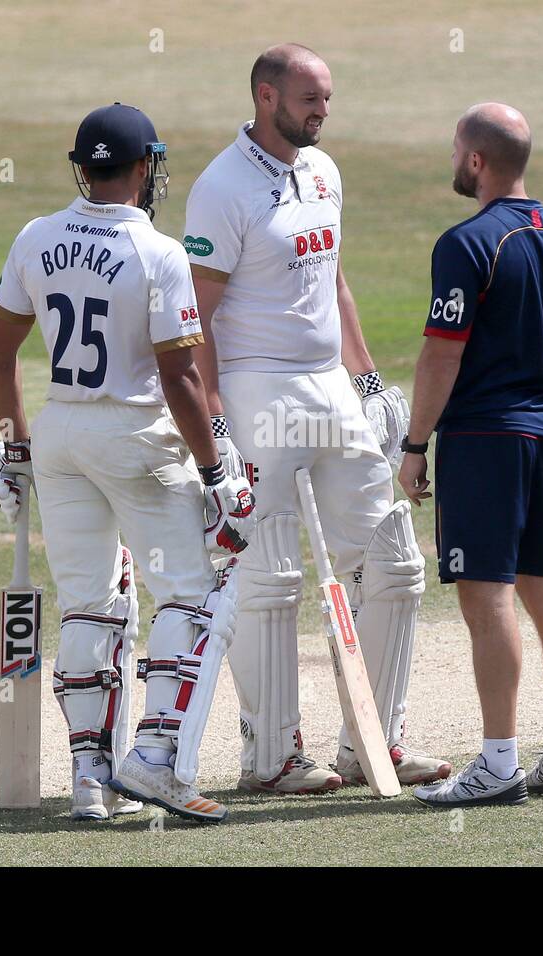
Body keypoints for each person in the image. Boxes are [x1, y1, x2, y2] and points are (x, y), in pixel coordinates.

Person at [184, 44, 451, 793]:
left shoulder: (324, 173)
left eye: (328, 98)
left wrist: (368, 382)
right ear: (266, 97)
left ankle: (374, 744)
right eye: (309, 98)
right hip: (255, 389)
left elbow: (335, 283)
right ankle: (270, 757)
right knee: (267, 577)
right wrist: (215, 424)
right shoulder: (221, 187)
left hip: (329, 386)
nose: (323, 110)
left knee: (393, 562)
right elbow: (195, 317)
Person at [0, 103, 255, 823]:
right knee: (189, 598)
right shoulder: (158, 253)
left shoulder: (35, 237)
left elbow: (0, 352)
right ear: (143, 169)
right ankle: (156, 760)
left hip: (61, 435)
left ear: (82, 168)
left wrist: (14, 444)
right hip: (136, 434)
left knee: (90, 605)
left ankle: (89, 782)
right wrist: (217, 473)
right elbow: (181, 380)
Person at [402, 103, 543, 809]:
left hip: (484, 440)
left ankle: (497, 763)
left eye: (457, 148)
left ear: (477, 160)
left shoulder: (466, 243)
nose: (453, 159)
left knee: (488, 600)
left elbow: (439, 356)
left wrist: (415, 446)